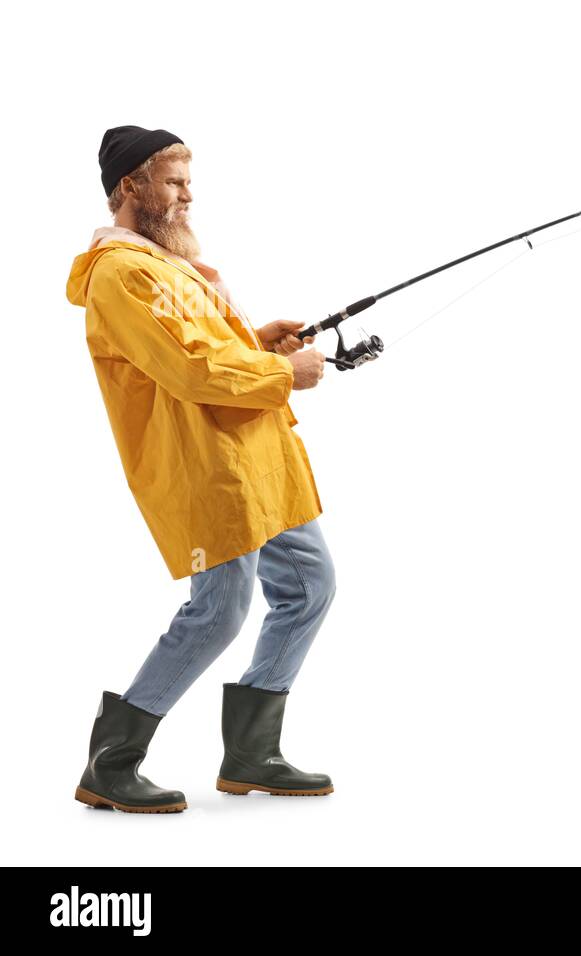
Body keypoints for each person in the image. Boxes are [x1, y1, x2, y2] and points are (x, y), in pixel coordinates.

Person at [66, 126, 337, 813]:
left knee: (309, 585)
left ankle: (252, 753)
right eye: (174, 182)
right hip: (206, 467)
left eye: (189, 181)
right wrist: (282, 370)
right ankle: (113, 761)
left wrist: (260, 341)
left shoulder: (168, 266)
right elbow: (188, 369)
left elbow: (208, 346)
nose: (189, 195)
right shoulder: (123, 274)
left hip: (254, 458)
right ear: (130, 187)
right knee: (220, 611)